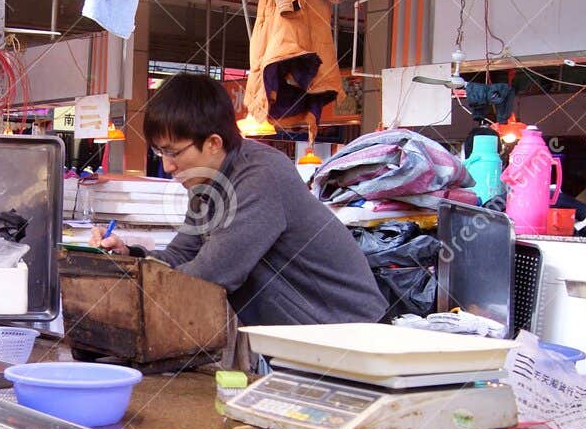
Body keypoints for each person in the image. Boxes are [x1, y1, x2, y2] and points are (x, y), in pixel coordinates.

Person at [91, 72, 386, 327]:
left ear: (213, 143)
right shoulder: (204, 185)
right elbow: (182, 256)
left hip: (351, 333)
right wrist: (130, 256)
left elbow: (208, 275)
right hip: (304, 340)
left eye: (174, 152)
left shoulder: (261, 177)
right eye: (160, 153)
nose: (167, 166)